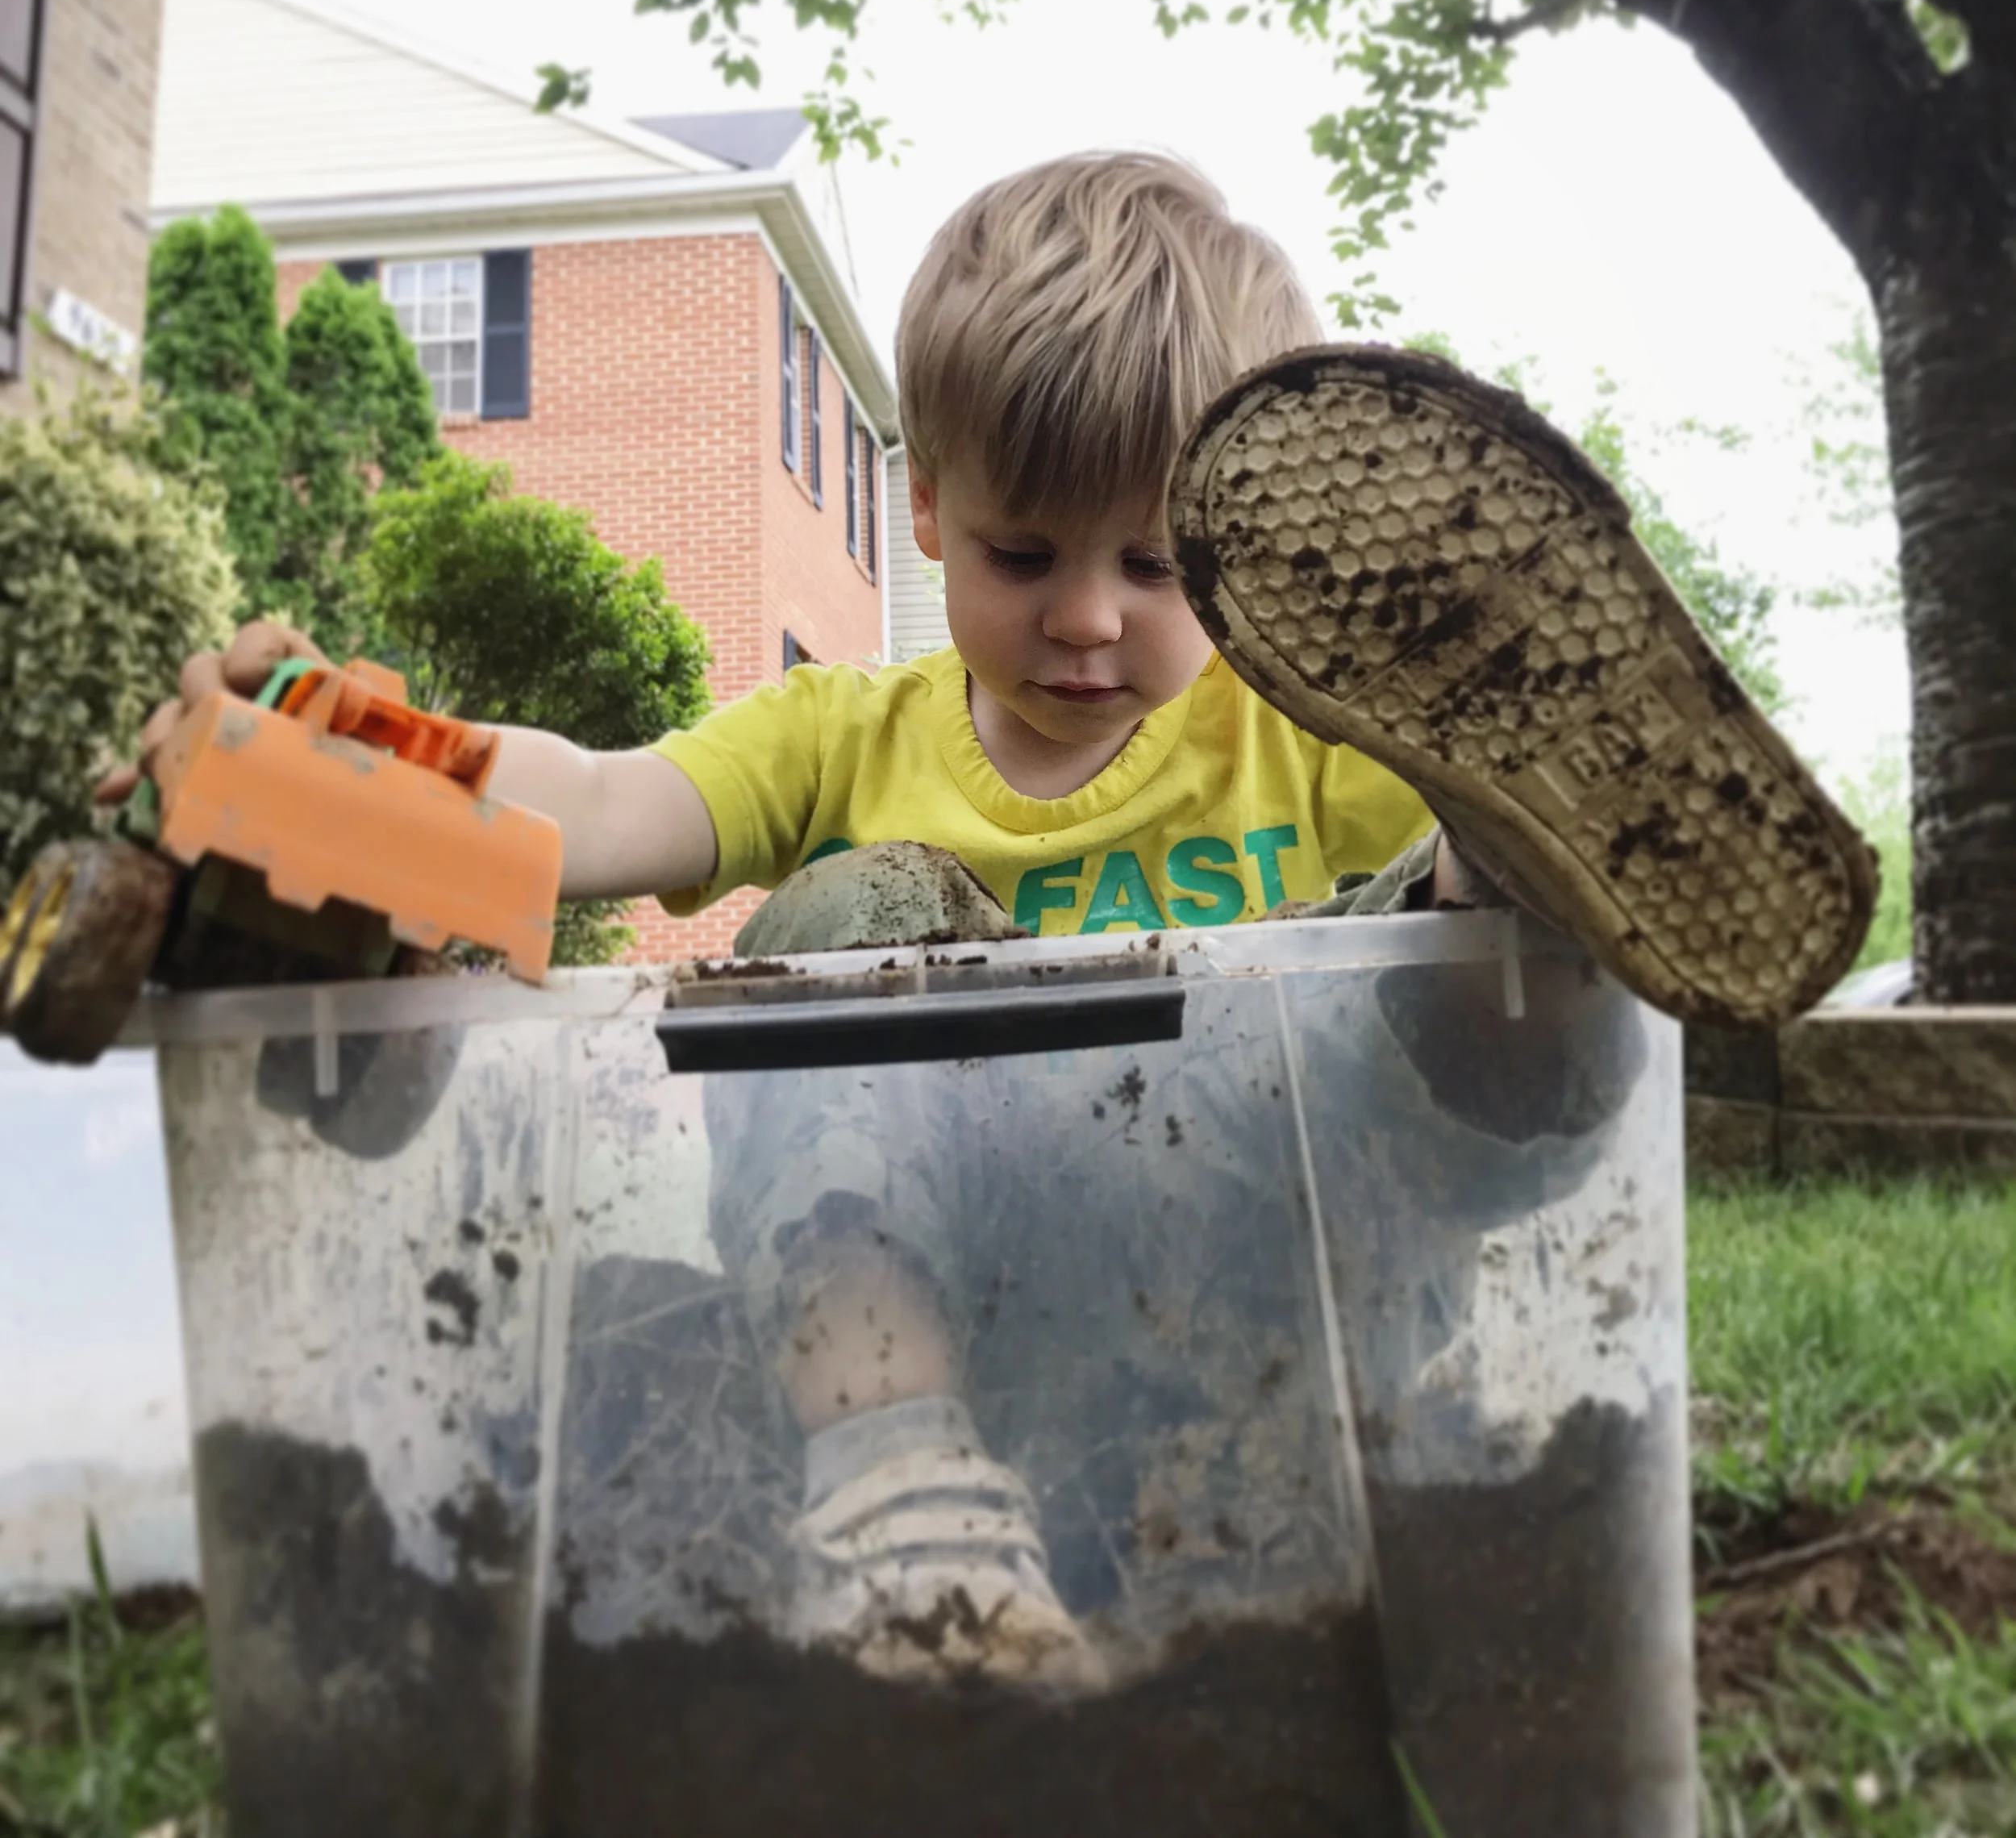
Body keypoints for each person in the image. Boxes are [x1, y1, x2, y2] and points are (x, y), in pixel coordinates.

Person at [114, 152, 1872, 1689]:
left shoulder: (1315, 730)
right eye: (1024, 556)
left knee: (1422, 934)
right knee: (855, 911)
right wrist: (351, 763)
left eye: (1157, 565)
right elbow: (604, 800)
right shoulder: (843, 734)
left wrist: (1462, 850)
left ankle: (1524, 831)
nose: (1088, 619)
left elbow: (1395, 1082)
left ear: (1245, 556)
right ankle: (907, 1514)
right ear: (927, 504)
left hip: (1281, 1339)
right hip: (952, 1356)